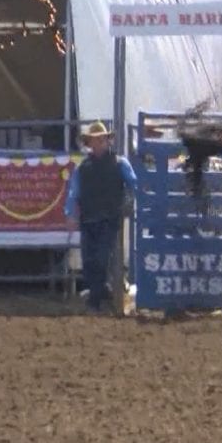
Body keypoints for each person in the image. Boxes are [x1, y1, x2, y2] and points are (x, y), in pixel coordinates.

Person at [64, 121, 138, 314]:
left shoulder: (120, 163)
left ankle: (95, 302)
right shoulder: (82, 167)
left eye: (101, 139)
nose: (99, 143)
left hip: (109, 218)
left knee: (101, 259)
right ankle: (101, 295)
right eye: (95, 140)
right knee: (89, 261)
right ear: (90, 143)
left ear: (107, 141)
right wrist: (71, 214)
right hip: (89, 218)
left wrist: (129, 201)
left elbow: (133, 183)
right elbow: (74, 192)